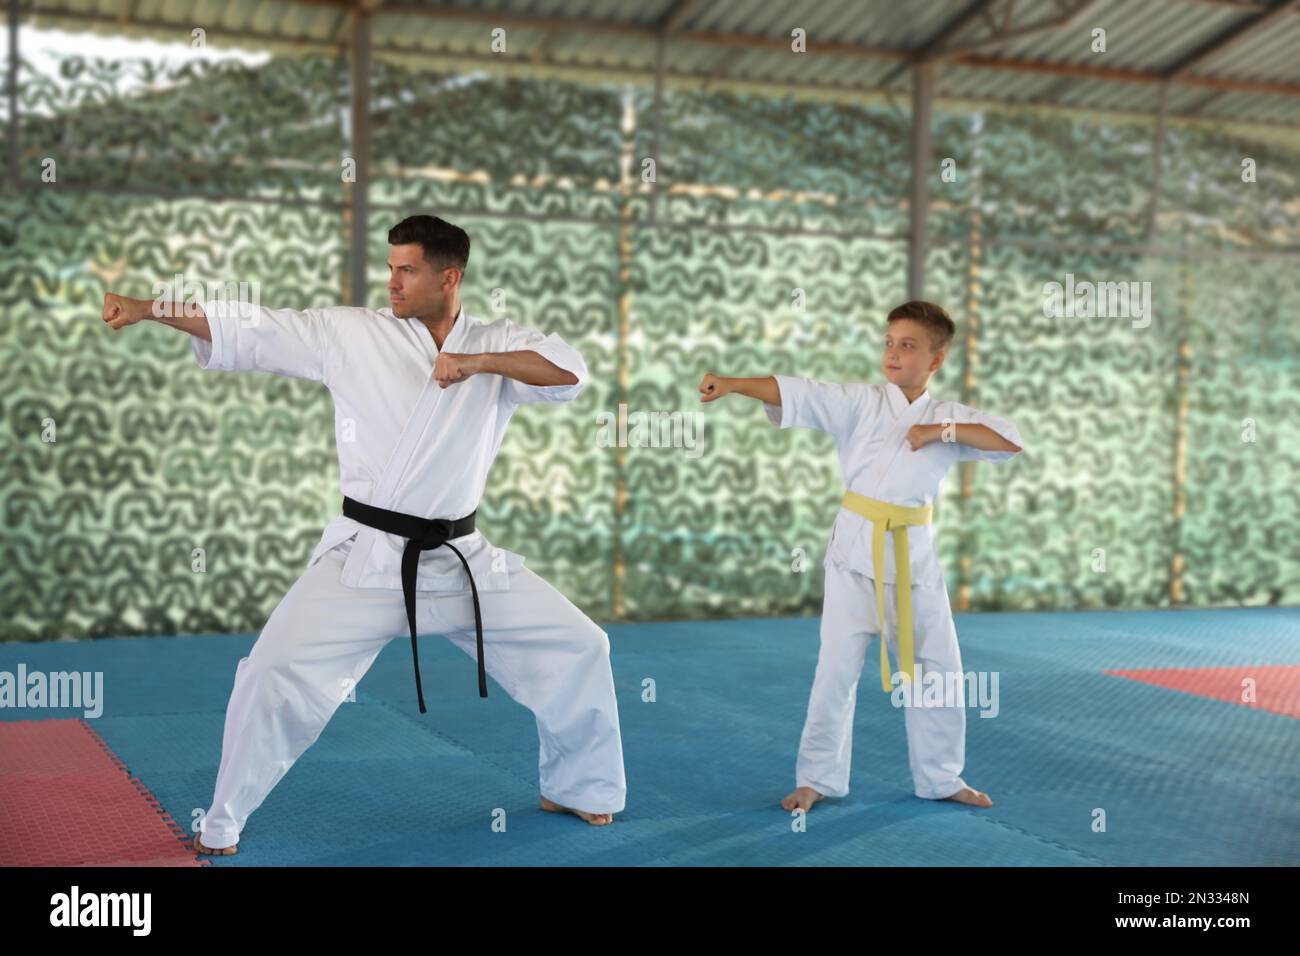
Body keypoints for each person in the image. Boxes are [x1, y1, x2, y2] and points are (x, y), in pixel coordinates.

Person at [101, 214, 626, 854]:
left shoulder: (500, 342)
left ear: (449, 276)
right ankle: (222, 818)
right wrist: (150, 309)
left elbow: (570, 373)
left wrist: (474, 362)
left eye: (407, 269)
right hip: (366, 560)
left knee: (582, 645)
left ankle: (581, 788)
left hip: (462, 558)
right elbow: (252, 326)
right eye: (390, 267)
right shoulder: (351, 333)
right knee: (272, 670)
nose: (393, 281)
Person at [697, 300, 1023, 814]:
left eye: (908, 345)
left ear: (936, 360)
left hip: (915, 562)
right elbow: (797, 391)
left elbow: (1008, 442)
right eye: (890, 342)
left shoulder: (948, 416)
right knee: (836, 670)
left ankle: (940, 777)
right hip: (854, 555)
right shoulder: (860, 402)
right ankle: (817, 778)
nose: (893, 353)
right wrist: (734, 383)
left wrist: (940, 433)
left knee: (938, 671)